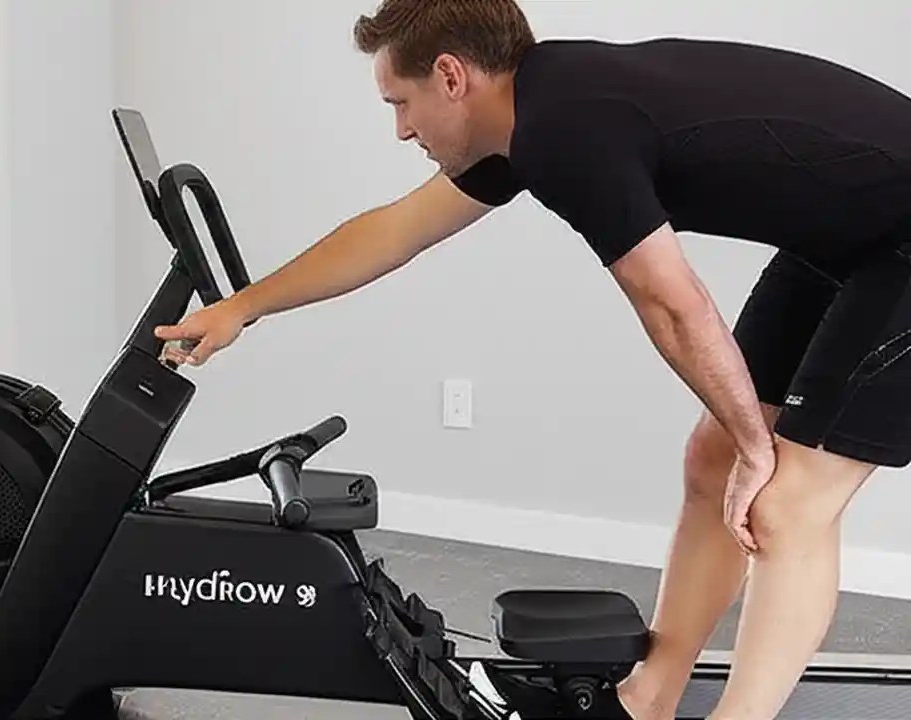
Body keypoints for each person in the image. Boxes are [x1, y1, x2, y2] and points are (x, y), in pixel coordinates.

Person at [154, 1, 911, 717]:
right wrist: (242, 307)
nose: (400, 130)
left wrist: (759, 445)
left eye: (400, 102)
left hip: (899, 241)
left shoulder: (565, 130)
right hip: (851, 238)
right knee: (713, 458)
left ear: (452, 77)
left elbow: (674, 307)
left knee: (785, 504)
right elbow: (392, 231)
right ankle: (646, 700)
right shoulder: (532, 113)